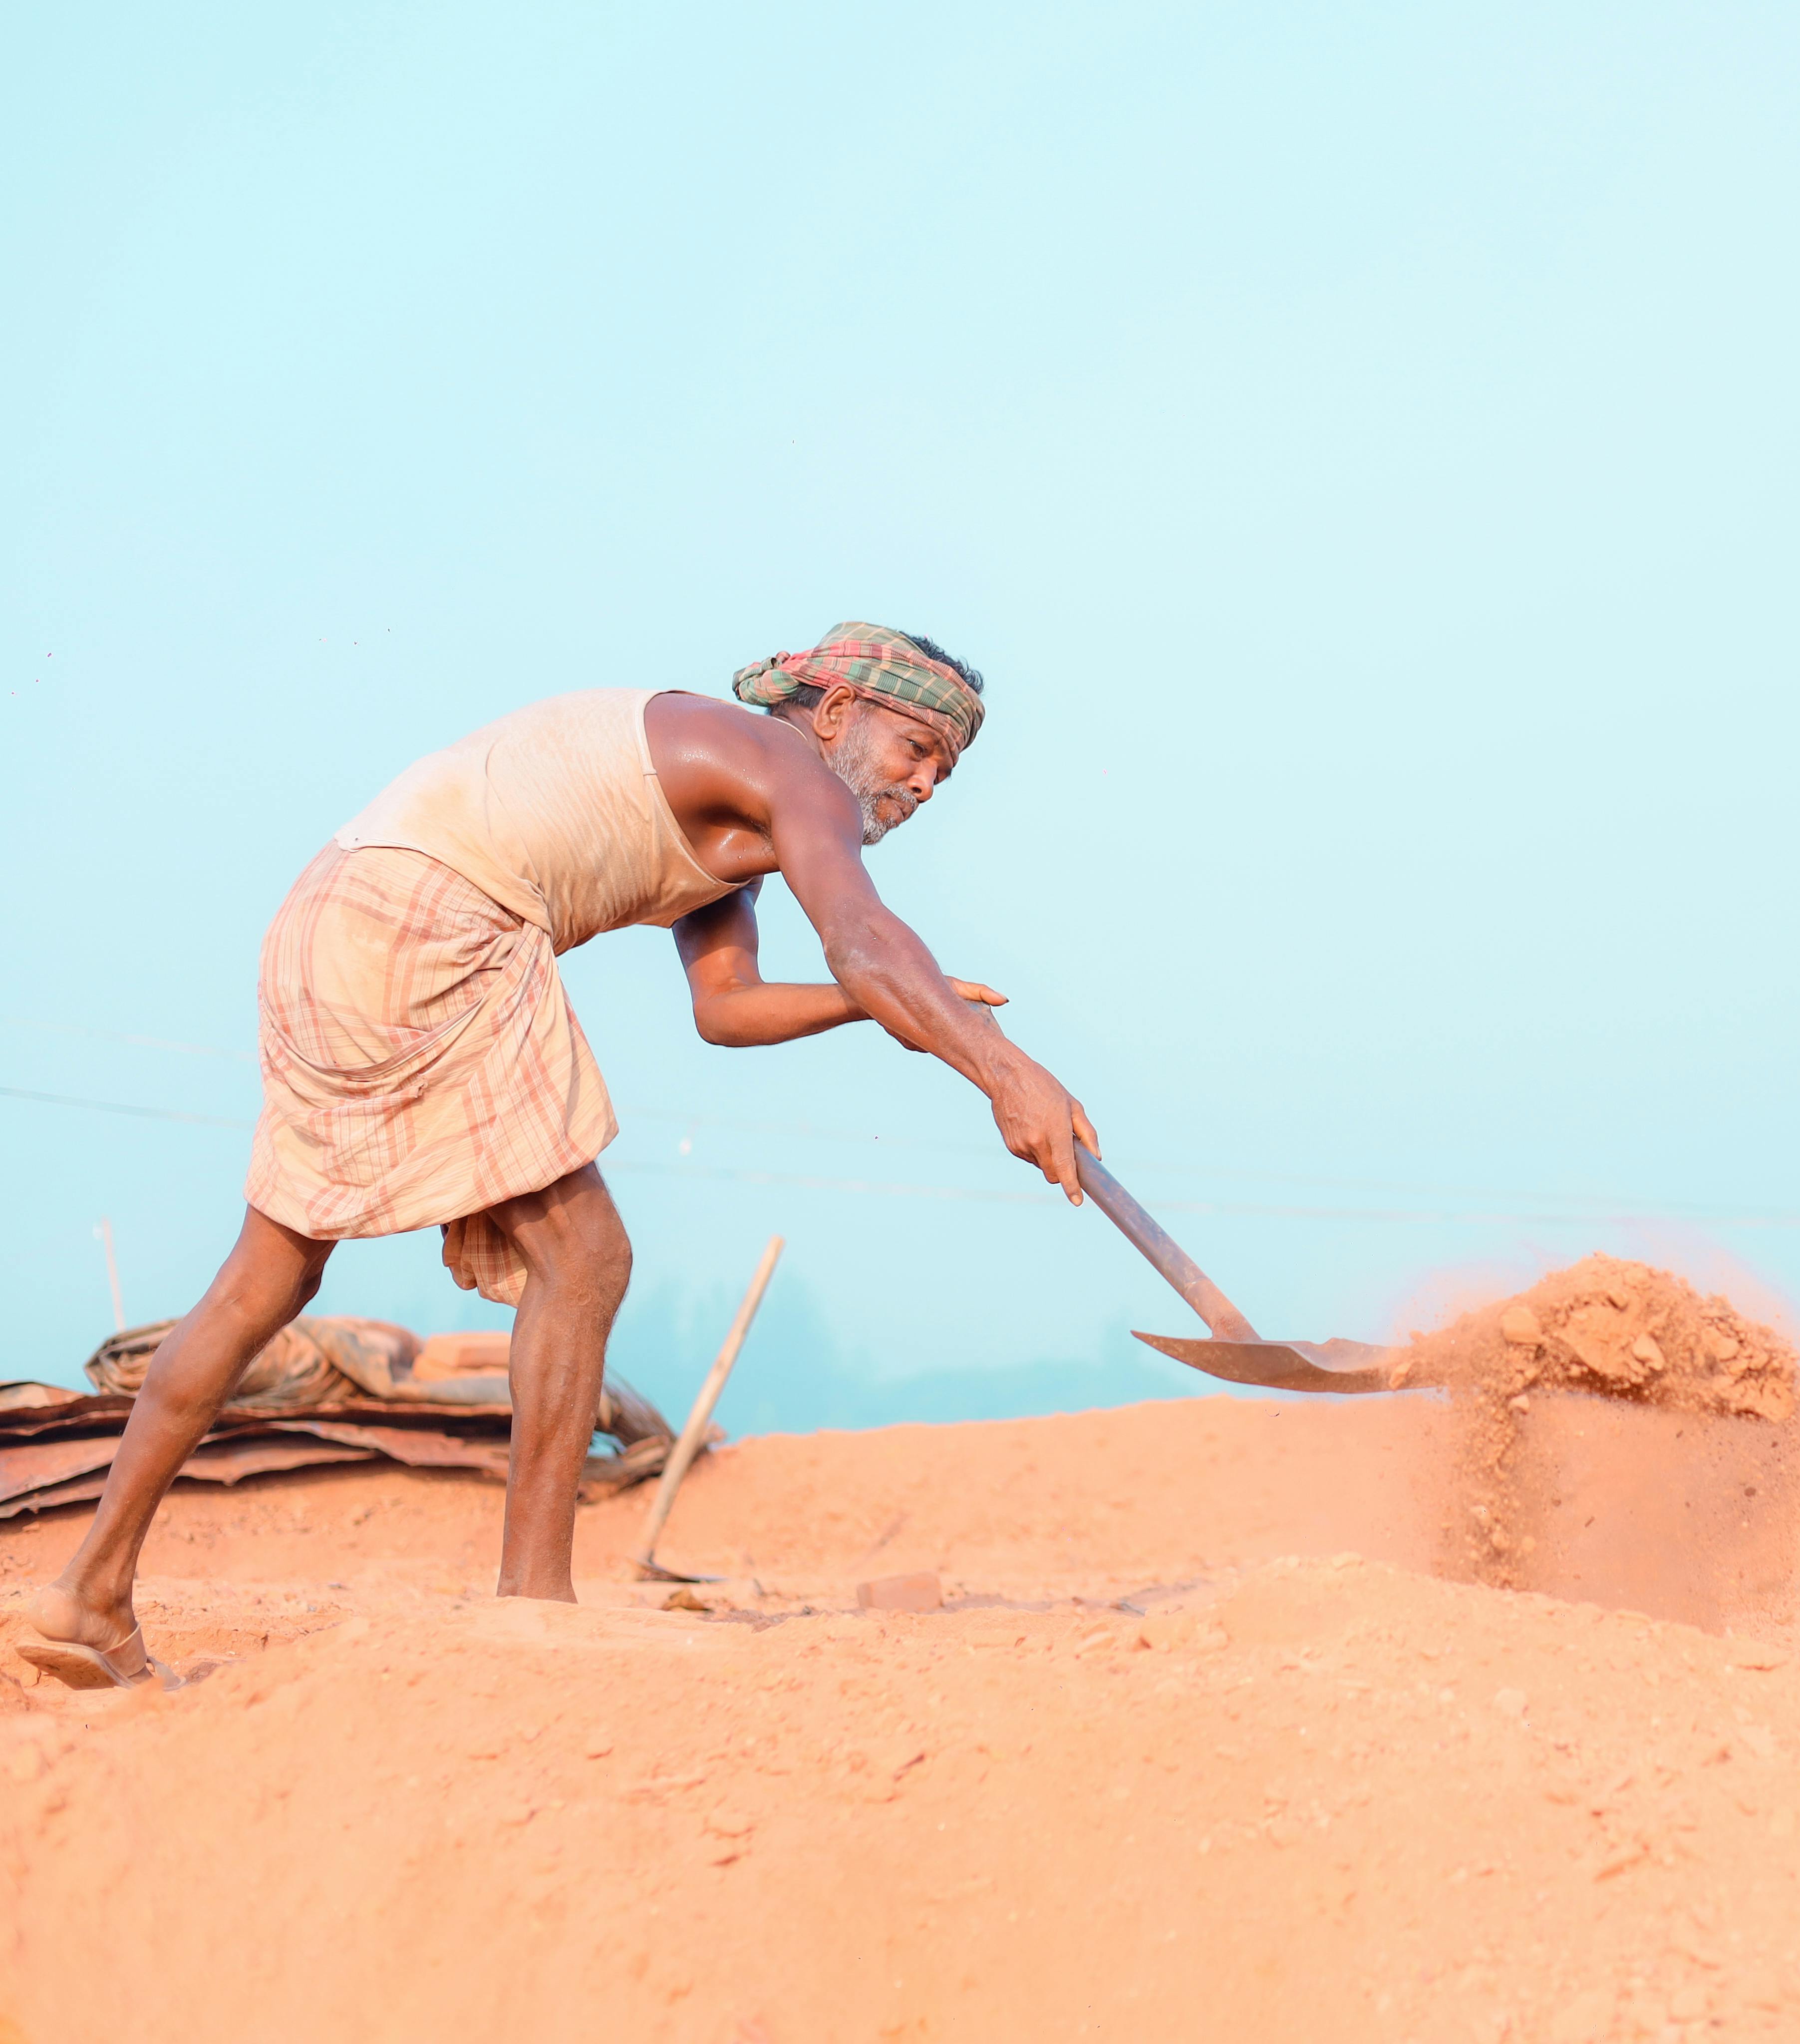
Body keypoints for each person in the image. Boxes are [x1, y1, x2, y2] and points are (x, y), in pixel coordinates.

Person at [17, 625, 1097, 1687]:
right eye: (919, 751)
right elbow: (864, 939)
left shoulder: (745, 800)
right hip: (434, 920)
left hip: (333, 915)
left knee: (275, 1269)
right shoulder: (790, 771)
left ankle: (92, 1590)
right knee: (585, 1258)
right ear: (839, 712)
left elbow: (728, 1008)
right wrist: (1008, 1074)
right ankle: (534, 1606)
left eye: (946, 773)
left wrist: (890, 1008)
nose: (925, 785)